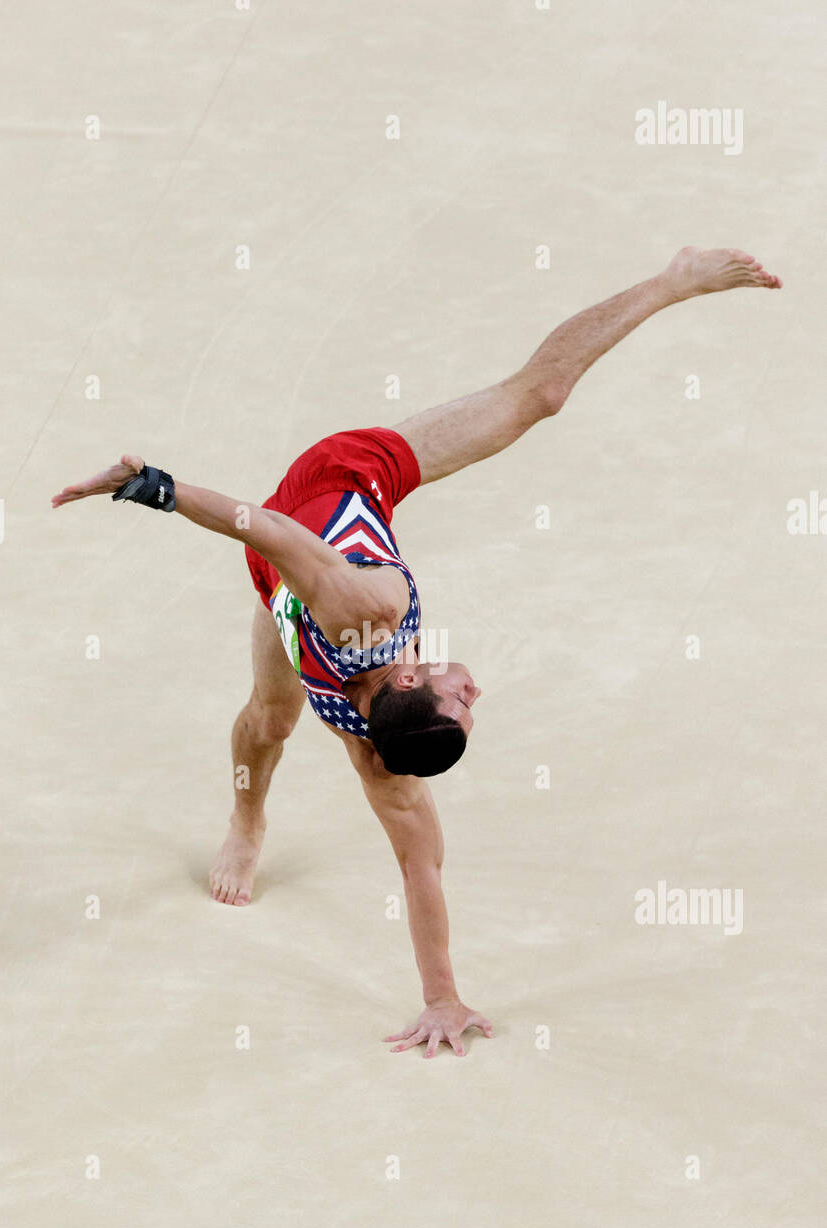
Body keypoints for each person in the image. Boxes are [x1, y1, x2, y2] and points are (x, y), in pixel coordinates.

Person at [52, 246, 781, 1057]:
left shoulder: (367, 615)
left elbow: (262, 524)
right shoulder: (382, 726)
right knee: (268, 719)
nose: (475, 691)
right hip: (299, 572)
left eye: (459, 699)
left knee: (537, 397)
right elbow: (422, 869)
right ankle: (246, 821)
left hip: (324, 500)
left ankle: (671, 277)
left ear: (408, 678)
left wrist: (150, 484)